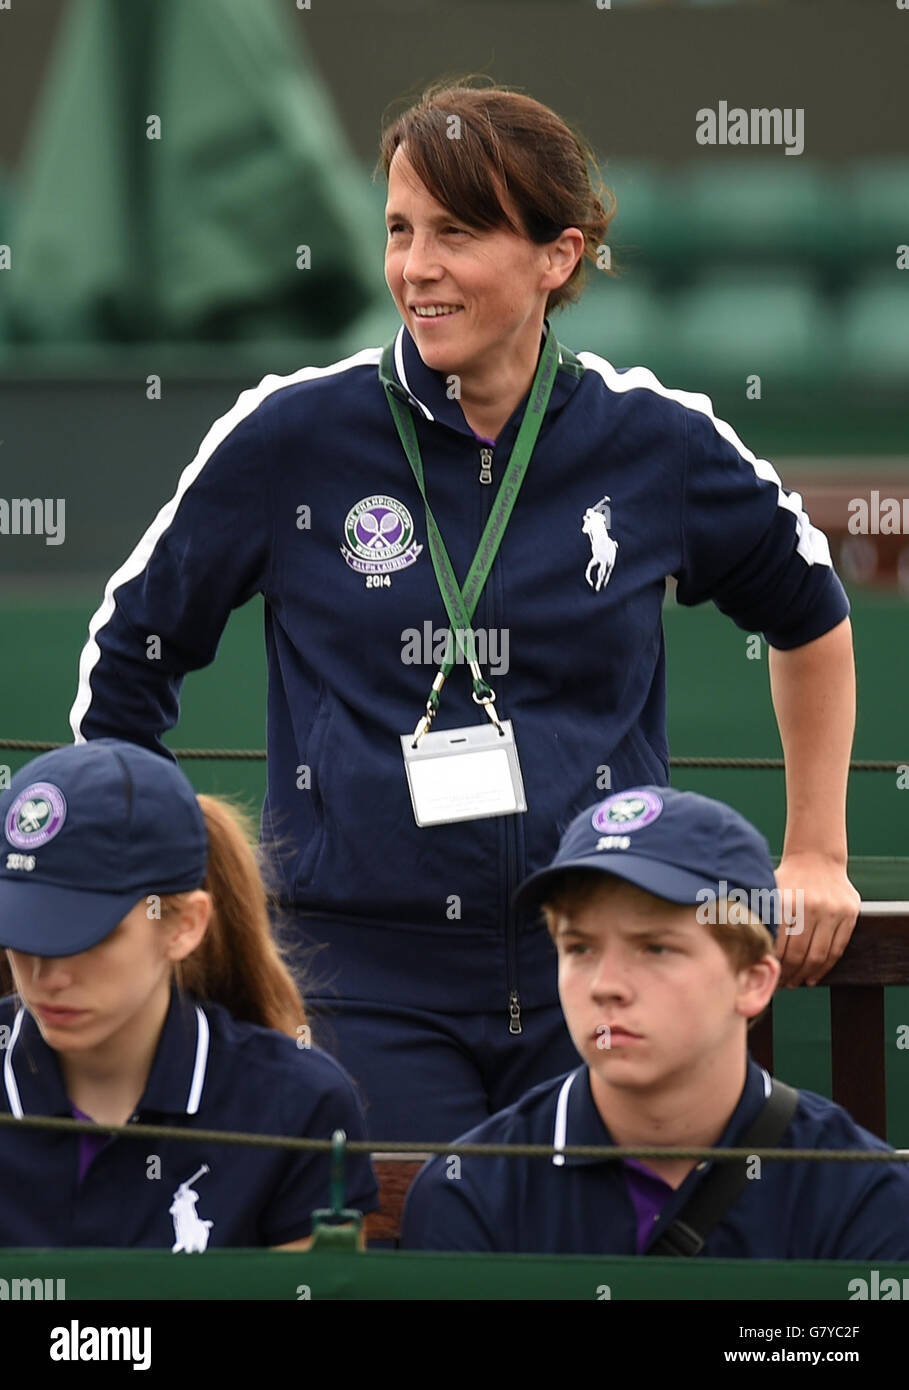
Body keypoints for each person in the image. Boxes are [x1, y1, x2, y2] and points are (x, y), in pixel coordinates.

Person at [67, 79, 859, 1145]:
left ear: (556, 257)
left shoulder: (657, 443)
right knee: (400, 1227)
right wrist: (148, 874)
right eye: (400, 230)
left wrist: (815, 851)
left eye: (457, 232)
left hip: (599, 963)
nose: (415, 266)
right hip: (357, 979)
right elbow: (130, 661)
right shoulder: (291, 437)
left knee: (593, 1230)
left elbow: (809, 612)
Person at [400, 787, 909, 1259]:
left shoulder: (864, 1196)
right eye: (579, 948)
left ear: (753, 982)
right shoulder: (469, 1191)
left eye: (655, 948)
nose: (606, 985)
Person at [0, 739, 378, 1249]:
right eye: (21, 928)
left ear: (185, 925)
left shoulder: (299, 1106)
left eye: (86, 934)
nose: (46, 975)